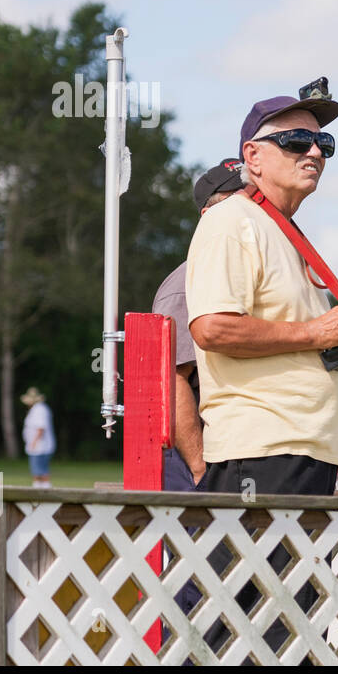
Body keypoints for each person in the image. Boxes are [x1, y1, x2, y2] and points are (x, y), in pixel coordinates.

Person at [186, 83, 338, 659]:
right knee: (252, 630)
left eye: (323, 141)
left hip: (300, 449)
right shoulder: (232, 220)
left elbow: (299, 341)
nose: (315, 152)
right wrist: (315, 333)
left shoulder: (286, 232)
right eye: (296, 140)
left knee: (292, 624)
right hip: (263, 449)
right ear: (252, 157)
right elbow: (212, 329)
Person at [151, 159, 245, 492]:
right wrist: (200, 466)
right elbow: (174, 381)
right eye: (235, 202)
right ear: (209, 215)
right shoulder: (187, 283)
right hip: (200, 460)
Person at [20, 387, 55, 488]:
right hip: (38, 446)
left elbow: (40, 427)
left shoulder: (39, 409)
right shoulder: (37, 409)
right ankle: (41, 489)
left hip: (40, 447)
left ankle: (42, 490)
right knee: (39, 471)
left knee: (40, 472)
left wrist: (33, 442)